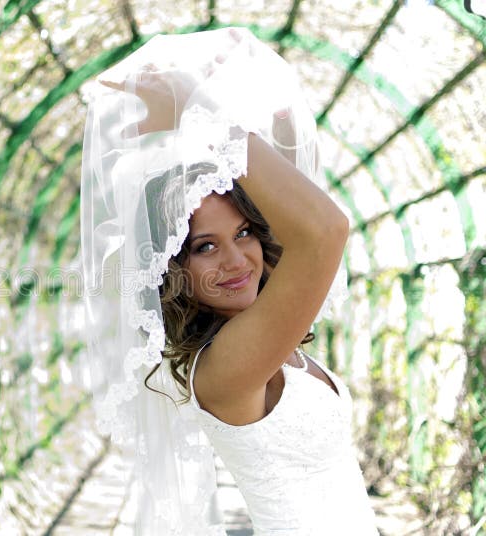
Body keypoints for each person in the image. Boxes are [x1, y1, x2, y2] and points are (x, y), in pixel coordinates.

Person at [80, 28, 378, 534]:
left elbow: (299, 196)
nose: (238, 260)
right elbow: (326, 229)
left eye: (244, 233)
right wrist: (198, 110)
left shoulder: (263, 329)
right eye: (205, 246)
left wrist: (245, 105)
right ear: (173, 271)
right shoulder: (225, 366)